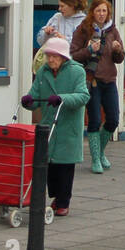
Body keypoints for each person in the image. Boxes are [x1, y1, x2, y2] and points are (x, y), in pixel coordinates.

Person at [21, 36, 89, 216]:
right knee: (48, 165)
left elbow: (83, 96)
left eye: (55, 56)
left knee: (65, 167)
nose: (51, 60)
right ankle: (55, 198)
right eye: (48, 56)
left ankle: (63, 201)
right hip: (48, 125)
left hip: (68, 126)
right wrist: (28, 101)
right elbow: (34, 95)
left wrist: (62, 98)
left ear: (64, 57)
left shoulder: (77, 72)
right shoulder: (43, 72)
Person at [70, 0, 124, 174]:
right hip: (91, 79)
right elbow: (73, 54)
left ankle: (100, 152)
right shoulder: (83, 30)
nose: (101, 14)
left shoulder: (113, 31)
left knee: (114, 119)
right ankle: (95, 159)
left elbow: (119, 58)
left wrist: (117, 50)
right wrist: (89, 50)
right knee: (94, 119)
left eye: (105, 11)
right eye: (98, 10)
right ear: (92, 12)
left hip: (109, 79)